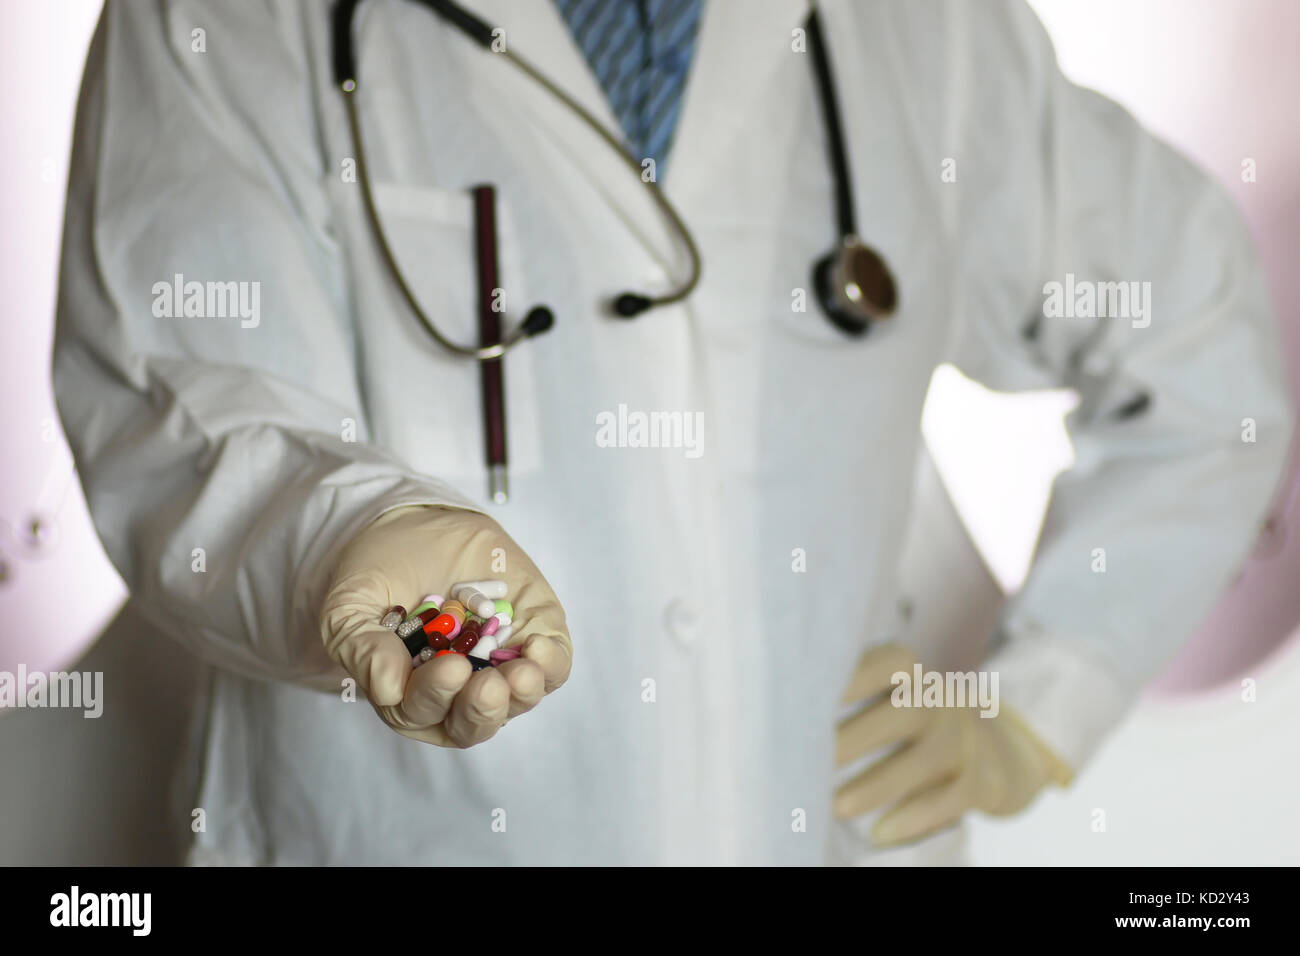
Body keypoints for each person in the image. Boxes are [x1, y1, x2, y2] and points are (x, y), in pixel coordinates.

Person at [52, 0, 1292, 865]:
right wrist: (343, 535)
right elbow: (177, 409)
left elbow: (1199, 348)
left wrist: (1039, 695)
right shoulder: (223, 19)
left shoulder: (928, 31)